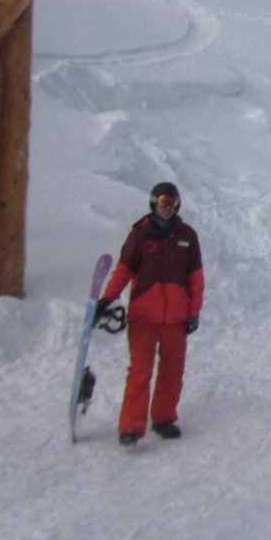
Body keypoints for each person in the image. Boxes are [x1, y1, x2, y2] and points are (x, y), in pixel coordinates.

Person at [96, 181, 204, 446]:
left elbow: (196, 279)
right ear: (154, 203)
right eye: (164, 201)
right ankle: (131, 426)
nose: (168, 207)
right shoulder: (140, 236)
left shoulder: (187, 236)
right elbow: (123, 271)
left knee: (172, 371)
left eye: (173, 202)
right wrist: (107, 299)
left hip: (175, 319)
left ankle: (164, 418)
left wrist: (193, 313)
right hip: (143, 317)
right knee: (140, 371)